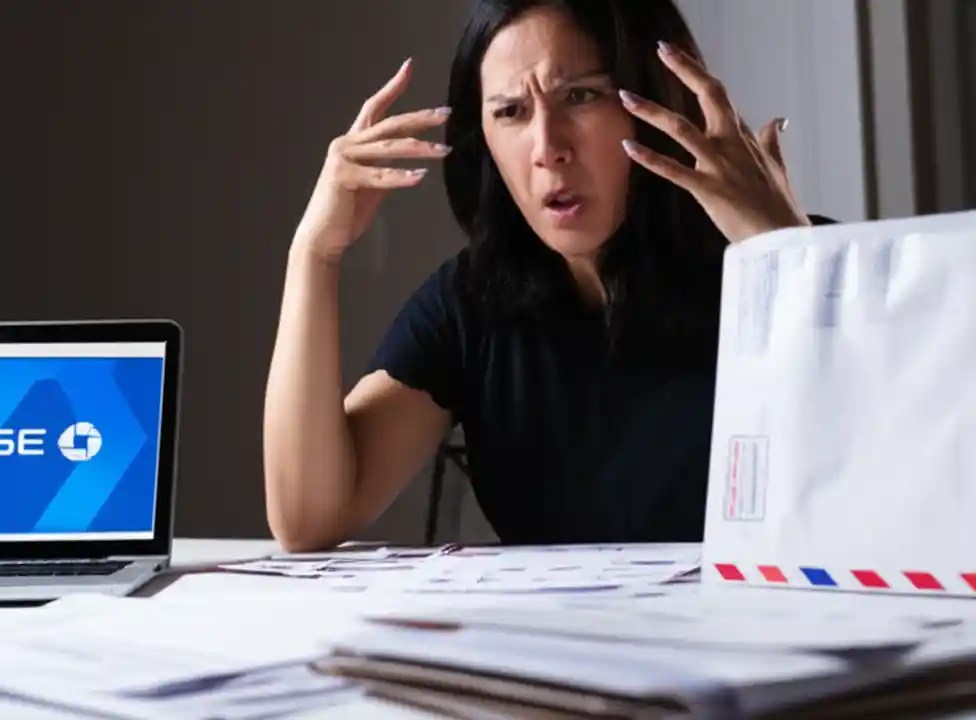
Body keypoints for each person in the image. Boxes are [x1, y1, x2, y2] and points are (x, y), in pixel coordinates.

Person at [263, 0, 828, 552]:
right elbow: (308, 519)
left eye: (579, 96)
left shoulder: (794, 263)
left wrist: (787, 258)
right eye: (510, 112)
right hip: (559, 643)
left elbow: (900, 486)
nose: (548, 148)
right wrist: (314, 253)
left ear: (658, 98)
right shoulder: (474, 300)